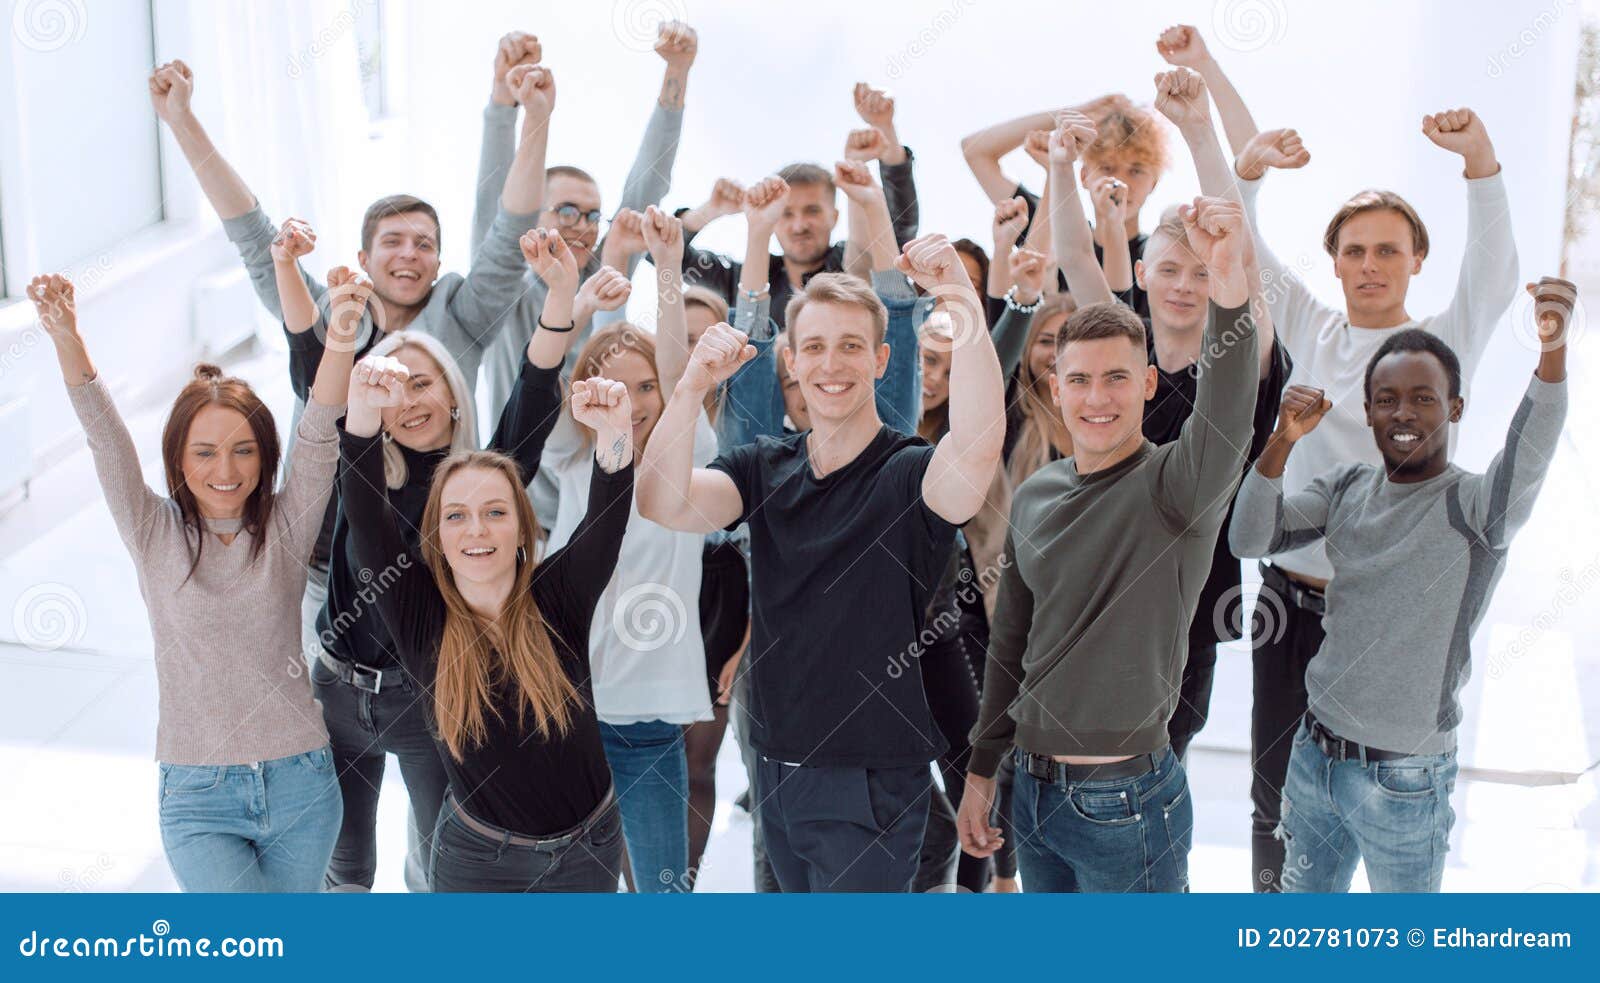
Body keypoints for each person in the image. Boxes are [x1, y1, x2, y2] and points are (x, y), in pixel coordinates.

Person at [1184, 16, 1520, 888]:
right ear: (1333, 262)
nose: (1371, 264)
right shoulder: (1312, 325)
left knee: (1387, 810)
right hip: (1288, 602)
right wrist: (1248, 172)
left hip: (1391, 614)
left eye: (1388, 250)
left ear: (1416, 260)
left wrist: (1480, 164)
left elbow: (1493, 274)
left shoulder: (1440, 342)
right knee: (1276, 797)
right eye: (1355, 250)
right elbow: (1241, 244)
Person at [637, 233, 1006, 892]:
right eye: (813, 346)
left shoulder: (910, 473)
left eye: (850, 346)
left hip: (870, 777)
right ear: (791, 360)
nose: (830, 363)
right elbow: (661, 499)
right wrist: (692, 385)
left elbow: (977, 444)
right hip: (776, 765)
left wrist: (959, 294)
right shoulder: (762, 466)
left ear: (881, 359)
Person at [956, 193, 1260, 893]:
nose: (1098, 398)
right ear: (1057, 388)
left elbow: (1229, 405)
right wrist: (982, 767)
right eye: (1081, 380)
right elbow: (1011, 644)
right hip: (1032, 794)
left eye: (1117, 378)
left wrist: (1228, 277)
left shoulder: (1178, 486)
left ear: (1148, 384)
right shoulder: (1036, 494)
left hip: (1126, 802)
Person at [1229, 278, 1573, 892]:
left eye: (1423, 398)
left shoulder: (1476, 509)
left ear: (1455, 408)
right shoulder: (1346, 488)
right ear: (1367, 412)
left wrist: (1552, 351)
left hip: (1405, 781)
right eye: (1386, 399)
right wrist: (1281, 441)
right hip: (1314, 757)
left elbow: (1531, 447)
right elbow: (1250, 538)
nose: (1404, 413)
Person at [28, 270, 358, 891]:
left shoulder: (286, 527)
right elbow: (106, 441)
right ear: (178, 458)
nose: (225, 468)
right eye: (204, 451)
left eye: (243, 449)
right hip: (198, 796)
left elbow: (320, 430)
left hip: (301, 785)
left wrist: (341, 332)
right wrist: (67, 336)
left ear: (265, 456)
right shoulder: (153, 531)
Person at [275, 220, 575, 890]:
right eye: (393, 388)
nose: (409, 401)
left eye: (422, 383)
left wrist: (560, 298)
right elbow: (312, 368)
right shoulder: (358, 468)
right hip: (337, 692)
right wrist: (300, 281)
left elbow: (534, 388)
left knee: (441, 866)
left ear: (453, 391)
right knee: (344, 867)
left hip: (431, 699)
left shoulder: (481, 482)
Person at [1050, 69, 1292, 760]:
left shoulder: (1241, 354)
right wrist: (1061, 165)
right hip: (1103, 587)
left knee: (1157, 761)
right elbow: (1075, 255)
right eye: (1168, 269)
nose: (1184, 285)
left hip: (1190, 603)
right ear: (1142, 272)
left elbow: (1242, 253)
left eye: (1200, 271)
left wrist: (1196, 128)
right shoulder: (1124, 343)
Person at [339, 353, 635, 892]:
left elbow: (607, 519)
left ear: (522, 528)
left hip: (589, 850)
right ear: (438, 536)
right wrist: (361, 411)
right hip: (482, 866)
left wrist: (615, 431)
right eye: (456, 516)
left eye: (495, 512)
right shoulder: (419, 614)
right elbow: (365, 515)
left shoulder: (559, 596)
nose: (476, 529)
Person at [533, 207, 711, 892]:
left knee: (662, 889)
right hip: (564, 706)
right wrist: (575, 304)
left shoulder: (688, 458)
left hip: (646, 714)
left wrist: (666, 269)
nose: (633, 403)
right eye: (615, 389)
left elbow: (678, 369)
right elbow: (544, 374)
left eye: (645, 388)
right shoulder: (570, 456)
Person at [474, 23, 696, 417]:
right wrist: (503, 100)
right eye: (567, 211)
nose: (583, 226)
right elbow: (495, 199)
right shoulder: (504, 288)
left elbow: (647, 186)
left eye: (593, 216)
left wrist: (676, 71)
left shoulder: (603, 272)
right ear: (532, 217)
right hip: (518, 456)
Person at [678, 83, 920, 325]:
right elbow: (670, 258)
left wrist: (885, 133)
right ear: (772, 220)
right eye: (786, 214)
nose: (799, 225)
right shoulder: (745, 278)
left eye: (812, 211)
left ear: (834, 217)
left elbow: (898, 227)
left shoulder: (856, 262)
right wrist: (709, 211)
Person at [961, 91, 1168, 315]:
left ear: (1154, 181)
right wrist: (1068, 116)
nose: (1121, 181)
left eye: (1136, 170)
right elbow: (975, 151)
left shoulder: (1160, 255)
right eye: (1107, 167)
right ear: (1084, 176)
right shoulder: (1054, 228)